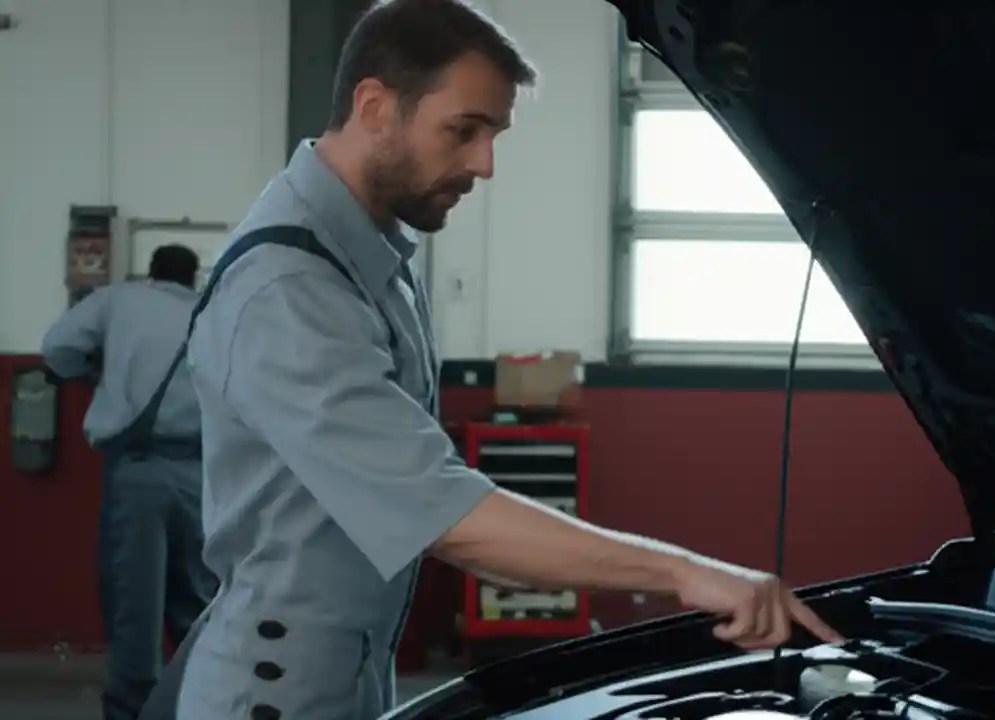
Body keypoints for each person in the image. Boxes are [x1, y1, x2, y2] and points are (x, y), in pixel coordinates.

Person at [164, 1, 843, 718]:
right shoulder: (291, 288)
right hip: (272, 696)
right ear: (373, 106)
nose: (484, 165)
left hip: (340, 674)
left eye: (493, 135)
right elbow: (445, 516)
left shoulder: (368, 257)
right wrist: (684, 573)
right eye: (463, 131)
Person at [41, 244, 218, 720]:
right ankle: (205, 705)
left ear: (151, 272)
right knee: (199, 605)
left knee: (134, 606)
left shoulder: (119, 300)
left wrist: (93, 370)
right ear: (192, 276)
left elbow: (58, 349)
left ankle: (133, 712)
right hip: (204, 475)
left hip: (140, 471)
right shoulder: (213, 308)